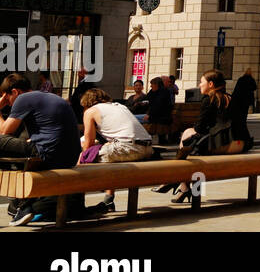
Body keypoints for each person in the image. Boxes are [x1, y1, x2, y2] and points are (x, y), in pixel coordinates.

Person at [1, 73, 81, 225]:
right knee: (21, 145)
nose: (9, 104)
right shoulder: (49, 97)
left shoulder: (23, 99)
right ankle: (22, 203)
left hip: (48, 154)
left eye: (7, 99)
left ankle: (20, 202)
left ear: (15, 92)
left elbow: (5, 131)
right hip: (69, 158)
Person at [157, 70, 243, 203]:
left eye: (201, 82)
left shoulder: (210, 99)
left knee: (189, 142)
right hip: (240, 143)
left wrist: (193, 130)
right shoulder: (230, 98)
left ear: (210, 84)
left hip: (224, 143)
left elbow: (200, 128)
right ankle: (184, 187)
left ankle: (181, 183)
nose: (199, 85)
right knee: (193, 146)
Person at [79, 88, 154, 215]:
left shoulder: (91, 111)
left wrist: (83, 160)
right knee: (107, 152)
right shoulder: (120, 106)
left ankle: (73, 198)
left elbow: (88, 142)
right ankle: (108, 200)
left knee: (84, 154)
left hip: (127, 148)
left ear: (86, 102)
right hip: (147, 148)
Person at [230, 69, 256, 151]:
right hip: (246, 101)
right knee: (243, 118)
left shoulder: (241, 79)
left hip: (239, 101)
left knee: (241, 119)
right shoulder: (251, 80)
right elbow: (255, 87)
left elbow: (236, 89)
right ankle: (246, 140)